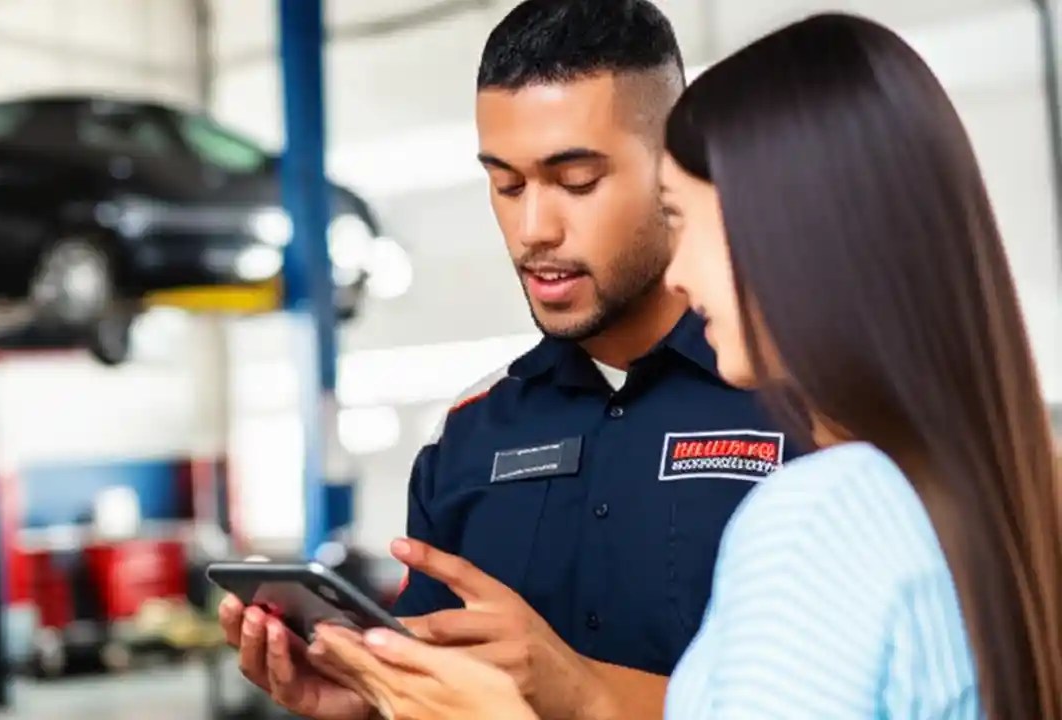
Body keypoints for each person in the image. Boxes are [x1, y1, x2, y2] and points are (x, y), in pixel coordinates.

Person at [310, 12, 1062, 720]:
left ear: (795, 236)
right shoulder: (983, 482)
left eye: (684, 216)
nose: (681, 270)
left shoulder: (822, 509)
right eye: (506, 185)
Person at [217, 1, 801, 718]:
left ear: (672, 167)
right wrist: (372, 701)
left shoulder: (811, 407)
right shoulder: (468, 436)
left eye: (576, 181)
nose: (533, 230)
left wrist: (580, 691)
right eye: (506, 184)